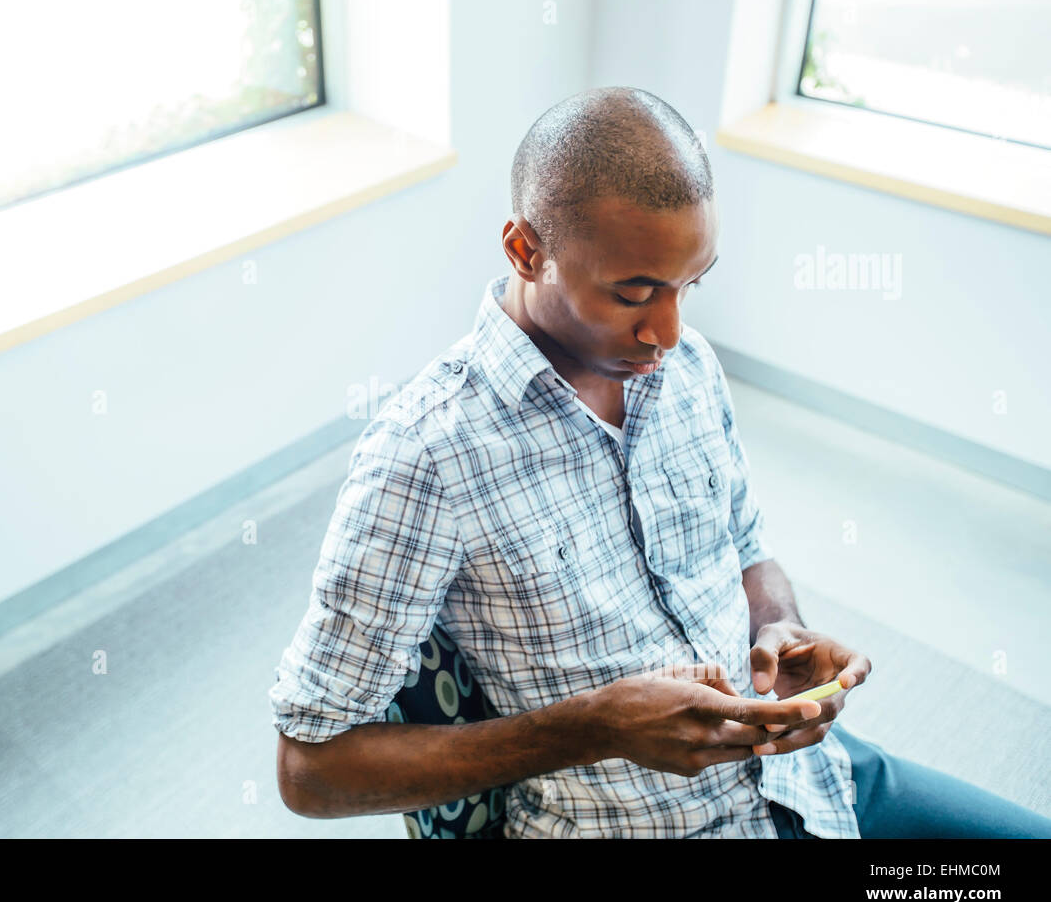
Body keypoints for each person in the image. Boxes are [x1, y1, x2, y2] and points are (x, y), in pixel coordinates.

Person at [268, 86, 1051, 838]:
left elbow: (746, 546)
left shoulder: (686, 368)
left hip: (805, 782)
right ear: (525, 249)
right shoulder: (426, 456)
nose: (670, 333)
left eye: (689, 286)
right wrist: (593, 728)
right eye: (635, 292)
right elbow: (309, 768)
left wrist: (781, 625)